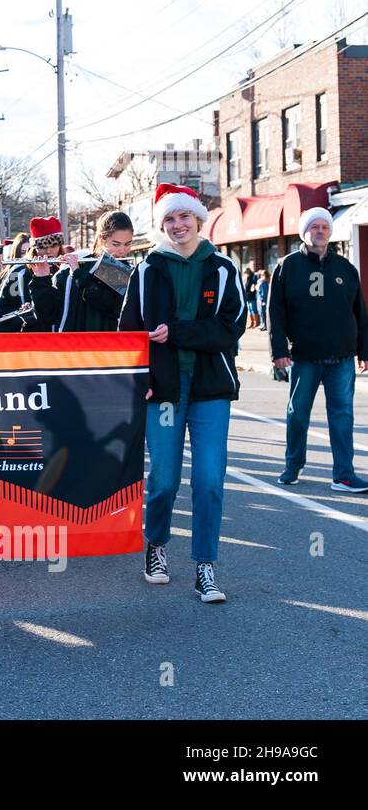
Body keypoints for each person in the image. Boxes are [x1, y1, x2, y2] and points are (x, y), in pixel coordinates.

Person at [120, 184, 243, 603]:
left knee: (209, 480)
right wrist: (141, 378)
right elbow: (128, 334)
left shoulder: (224, 268)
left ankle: (205, 566)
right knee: (164, 480)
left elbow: (231, 327)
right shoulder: (146, 270)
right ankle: (156, 546)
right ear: (161, 226)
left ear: (199, 220)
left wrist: (178, 333)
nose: (178, 226)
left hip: (211, 387)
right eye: (169, 219)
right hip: (165, 389)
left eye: (184, 217)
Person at [267, 207, 368, 493]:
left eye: (324, 226)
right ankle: (293, 465)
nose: (320, 231)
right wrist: (278, 350)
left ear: (330, 231)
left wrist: (365, 350)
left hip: (342, 356)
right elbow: (275, 311)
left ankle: (344, 475)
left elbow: (359, 311)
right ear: (304, 232)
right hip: (304, 356)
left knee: (342, 415)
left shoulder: (345, 268)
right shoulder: (288, 266)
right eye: (314, 227)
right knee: (297, 413)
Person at [33, 210, 135, 333]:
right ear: (102, 239)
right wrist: (41, 279)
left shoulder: (125, 270)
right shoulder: (75, 266)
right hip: (74, 347)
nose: (123, 250)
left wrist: (79, 275)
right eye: (116, 244)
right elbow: (49, 316)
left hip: (109, 348)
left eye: (127, 244)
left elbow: (113, 307)